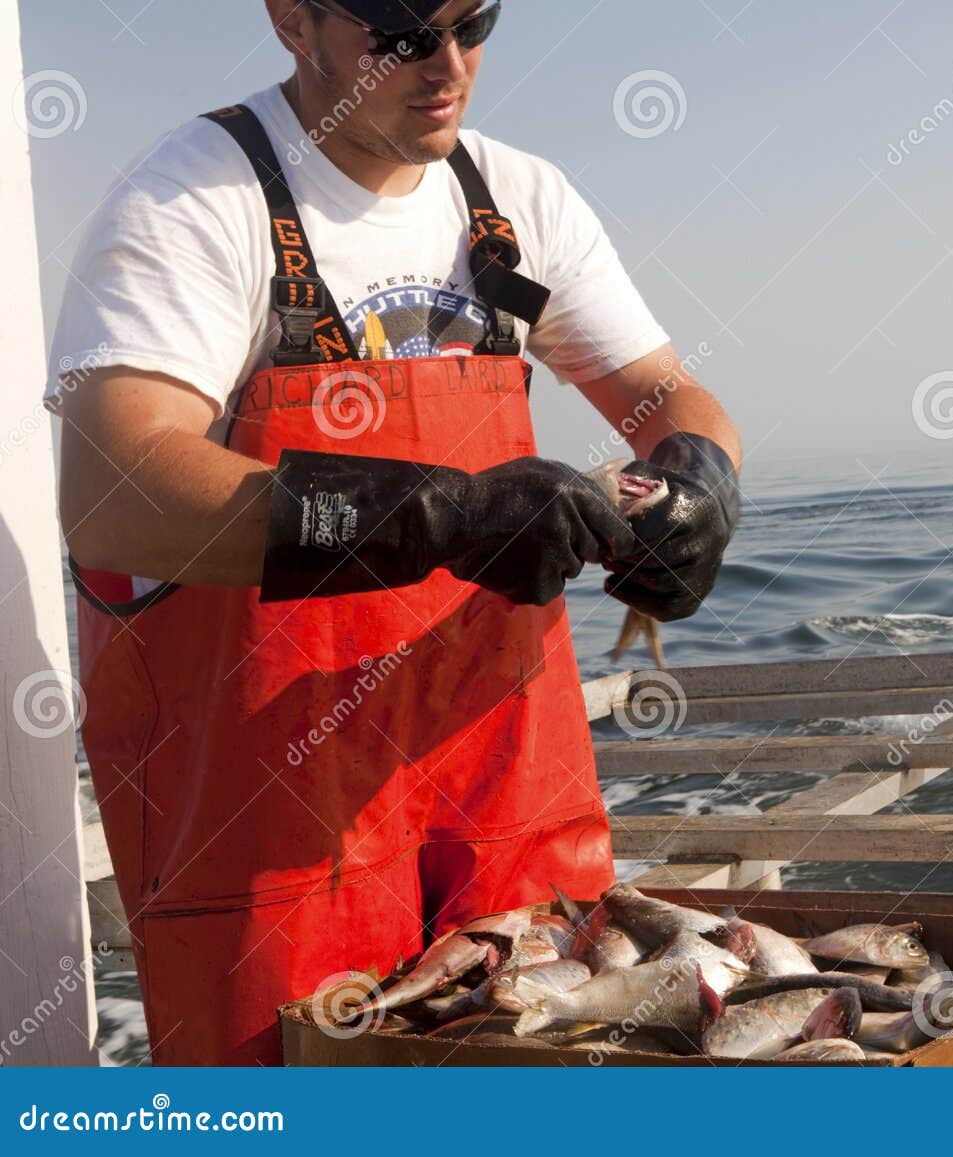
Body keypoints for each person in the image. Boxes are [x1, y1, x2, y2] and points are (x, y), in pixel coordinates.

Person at [48, 0, 740, 1065]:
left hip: (508, 792)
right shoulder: (195, 199)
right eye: (405, 35)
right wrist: (440, 515)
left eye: (479, 23)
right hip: (271, 822)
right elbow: (116, 486)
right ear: (293, 18)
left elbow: (662, 393)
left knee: (544, 1083)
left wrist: (699, 479)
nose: (449, 66)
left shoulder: (514, 196)